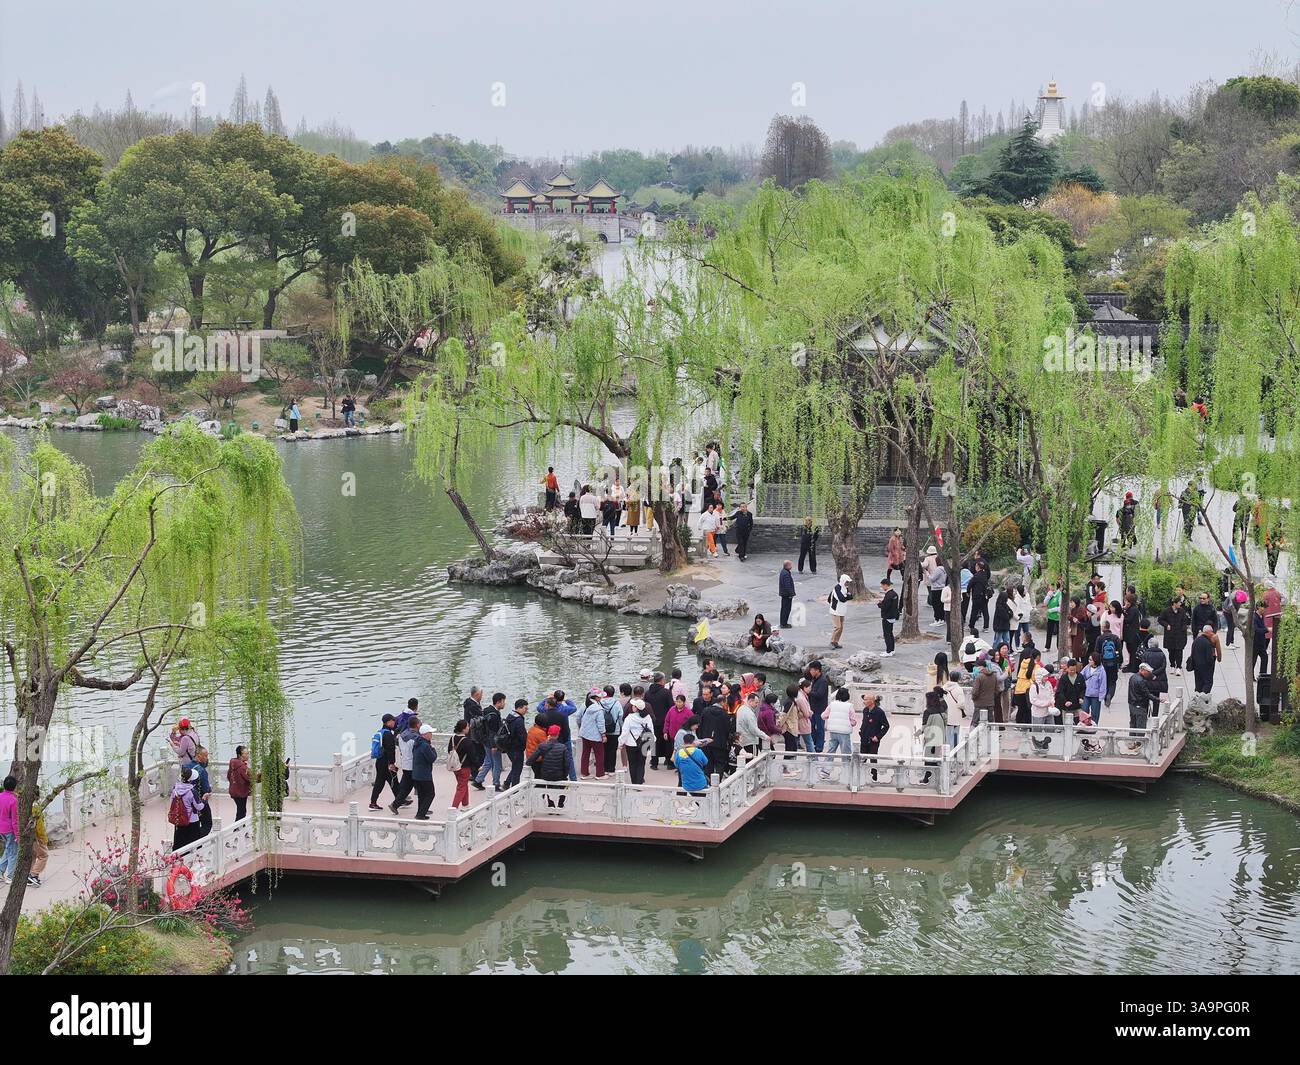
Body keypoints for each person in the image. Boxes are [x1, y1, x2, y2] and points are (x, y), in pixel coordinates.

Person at [529, 725, 574, 808]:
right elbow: (567, 764)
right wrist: (565, 775)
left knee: (548, 786)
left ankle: (551, 804)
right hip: (559, 775)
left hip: (546, 775)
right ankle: (560, 804)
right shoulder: (563, 747)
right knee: (564, 786)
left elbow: (530, 761)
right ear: (558, 734)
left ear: (549, 734)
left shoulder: (542, 746)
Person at [472, 693, 506, 791]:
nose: (504, 704)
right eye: (503, 701)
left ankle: (478, 780)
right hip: (492, 743)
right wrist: (494, 745)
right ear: (499, 702)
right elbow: (493, 732)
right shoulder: (494, 715)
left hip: (485, 741)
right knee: (497, 764)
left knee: (488, 761)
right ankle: (496, 784)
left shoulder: (486, 710)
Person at [576, 689, 612, 778]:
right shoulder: (598, 710)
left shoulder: (586, 706)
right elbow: (601, 724)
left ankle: (584, 773)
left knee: (585, 754)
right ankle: (600, 774)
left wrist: (581, 728)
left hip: (585, 734)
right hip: (595, 736)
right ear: (596, 697)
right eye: (600, 696)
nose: (601, 698)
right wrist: (603, 735)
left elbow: (578, 717)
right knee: (599, 755)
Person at [168, 767, 206, 852]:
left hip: (179, 818)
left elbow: (172, 801)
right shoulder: (192, 791)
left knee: (179, 841)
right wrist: (204, 800)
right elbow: (199, 807)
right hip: (192, 820)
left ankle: (177, 859)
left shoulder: (175, 789)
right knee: (194, 842)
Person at [697, 697, 735, 780]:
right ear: (723, 702)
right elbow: (728, 730)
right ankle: (717, 784)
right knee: (720, 764)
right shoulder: (725, 714)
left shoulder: (705, 711)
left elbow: (700, 726)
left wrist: (701, 740)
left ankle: (708, 783)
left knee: (707, 764)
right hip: (720, 743)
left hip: (706, 742)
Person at [388, 717, 420, 813]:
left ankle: (395, 805)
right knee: (423, 788)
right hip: (413, 765)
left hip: (405, 764)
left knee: (406, 787)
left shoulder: (402, 735)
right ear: (417, 725)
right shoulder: (415, 737)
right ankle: (423, 809)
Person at [820, 687, 858, 768]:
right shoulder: (849, 706)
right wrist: (848, 723)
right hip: (844, 732)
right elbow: (854, 721)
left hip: (833, 731)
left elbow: (823, 716)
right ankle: (847, 770)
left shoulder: (832, 704)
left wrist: (832, 718)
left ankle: (825, 771)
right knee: (846, 752)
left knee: (831, 750)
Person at [619, 699, 654, 783]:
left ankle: (634, 782)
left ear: (636, 708)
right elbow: (651, 731)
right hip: (644, 743)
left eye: (633, 706)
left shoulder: (630, 717)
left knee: (632, 764)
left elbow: (625, 732)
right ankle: (639, 781)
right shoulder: (648, 717)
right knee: (641, 764)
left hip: (631, 743)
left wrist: (621, 743)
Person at [448, 721, 481, 809]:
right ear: (463, 729)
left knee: (463, 784)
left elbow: (449, 751)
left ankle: (465, 804)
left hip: (455, 766)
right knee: (461, 787)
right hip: (464, 767)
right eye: (467, 727)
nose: (468, 728)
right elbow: (472, 755)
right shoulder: (467, 741)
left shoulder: (452, 738)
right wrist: (478, 766)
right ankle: (453, 808)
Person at [858, 694, 890, 780]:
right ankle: (859, 777)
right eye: (864, 699)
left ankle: (874, 778)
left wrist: (878, 737)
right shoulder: (865, 710)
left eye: (866, 700)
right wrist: (861, 731)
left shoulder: (879, 712)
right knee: (862, 758)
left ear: (872, 701)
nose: (864, 701)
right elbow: (864, 722)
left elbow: (886, 726)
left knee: (873, 758)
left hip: (873, 740)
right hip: (864, 738)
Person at [410, 724, 439, 819]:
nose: (431, 735)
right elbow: (432, 758)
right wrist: (433, 749)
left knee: (421, 794)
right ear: (425, 734)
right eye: (430, 733)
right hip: (424, 774)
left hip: (416, 773)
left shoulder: (417, 743)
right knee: (430, 793)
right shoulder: (425, 746)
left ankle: (421, 811)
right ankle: (421, 813)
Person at [184, 748, 214, 838]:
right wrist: (208, 791)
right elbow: (206, 789)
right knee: (207, 824)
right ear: (198, 755)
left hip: (186, 801)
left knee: (192, 824)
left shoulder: (186, 766)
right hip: (199, 800)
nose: (207, 758)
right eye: (205, 756)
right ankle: (196, 840)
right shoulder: (201, 770)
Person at [500, 699, 529, 787]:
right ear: (519, 708)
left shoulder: (510, 716)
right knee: (517, 769)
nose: (526, 710)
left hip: (509, 747)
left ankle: (507, 783)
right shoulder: (519, 720)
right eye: (525, 708)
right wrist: (526, 745)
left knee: (515, 767)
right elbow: (522, 736)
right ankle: (515, 789)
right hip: (516, 748)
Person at [1157, 599, 1190, 674]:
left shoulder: (1182, 611)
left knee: (1179, 650)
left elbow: (1185, 620)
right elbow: (1160, 619)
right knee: (1171, 651)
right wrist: (1166, 625)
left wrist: (1184, 627)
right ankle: (1172, 665)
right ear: (1174, 603)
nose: (1180, 604)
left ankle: (1178, 666)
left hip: (1180, 634)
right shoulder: (1166, 611)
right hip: (1170, 634)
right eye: (1179, 603)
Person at [1029, 667, 1058, 751]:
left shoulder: (1048, 684)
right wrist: (1045, 704)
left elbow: (1052, 694)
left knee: (1051, 729)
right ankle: (1037, 746)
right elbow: (1033, 700)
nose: (1046, 678)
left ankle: (1045, 743)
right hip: (1038, 713)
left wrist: (1052, 701)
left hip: (1049, 711)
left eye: (1047, 676)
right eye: (1045, 676)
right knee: (1037, 731)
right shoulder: (1034, 687)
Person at [1190, 625, 1219, 695]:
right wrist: (1213, 659)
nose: (1212, 634)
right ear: (1208, 632)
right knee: (1208, 683)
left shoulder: (1196, 641)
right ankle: (1203, 697)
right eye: (1212, 632)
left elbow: (1192, 654)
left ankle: (1197, 697)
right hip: (1206, 668)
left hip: (1196, 667)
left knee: (1198, 684)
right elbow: (1209, 658)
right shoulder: (1207, 643)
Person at [806, 662, 829, 752]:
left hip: (820, 709)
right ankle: (814, 744)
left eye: (811, 670)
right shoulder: (814, 679)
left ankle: (819, 746)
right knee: (812, 728)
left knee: (819, 728)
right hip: (813, 708)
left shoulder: (823, 681)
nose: (810, 671)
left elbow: (820, 694)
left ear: (817, 670)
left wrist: (809, 692)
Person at [228, 745, 253, 822]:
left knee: (241, 811)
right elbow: (250, 778)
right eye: (246, 753)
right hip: (241, 792)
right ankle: (237, 830)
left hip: (234, 791)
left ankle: (240, 829)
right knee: (241, 812)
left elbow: (229, 776)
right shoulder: (242, 767)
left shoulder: (233, 764)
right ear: (240, 755)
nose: (248, 755)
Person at [828, 574, 853, 649]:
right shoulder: (837, 588)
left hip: (842, 610)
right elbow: (842, 598)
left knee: (841, 627)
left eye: (848, 582)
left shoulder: (845, 588)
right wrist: (847, 596)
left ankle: (836, 642)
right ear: (843, 581)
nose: (848, 583)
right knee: (838, 627)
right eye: (847, 582)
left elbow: (851, 596)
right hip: (835, 610)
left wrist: (847, 596)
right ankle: (832, 642)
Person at [0, 776, 17, 884]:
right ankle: (10, 876)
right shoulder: (13, 800)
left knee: (8, 849)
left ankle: (0, 871)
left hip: (1, 829)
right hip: (9, 830)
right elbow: (15, 820)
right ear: (14, 787)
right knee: (13, 853)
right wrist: (18, 835)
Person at [971, 658, 997, 726]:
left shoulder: (979, 677)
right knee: (990, 723)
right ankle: (992, 736)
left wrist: (974, 698)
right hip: (990, 702)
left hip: (979, 703)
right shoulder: (994, 676)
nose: (976, 668)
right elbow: (997, 689)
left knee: (975, 723)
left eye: (977, 666)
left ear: (981, 667)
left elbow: (975, 691)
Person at [737, 693, 763, 759]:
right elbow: (754, 730)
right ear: (750, 701)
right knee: (752, 763)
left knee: (745, 762)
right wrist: (765, 737)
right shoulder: (750, 713)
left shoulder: (740, 709)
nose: (757, 705)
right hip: (751, 741)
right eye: (756, 702)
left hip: (742, 740)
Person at [878, 577, 899, 656]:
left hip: (887, 617)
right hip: (893, 616)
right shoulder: (894, 594)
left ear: (886, 585)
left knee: (887, 634)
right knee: (890, 633)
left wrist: (880, 604)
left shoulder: (888, 595)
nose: (882, 588)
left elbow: (885, 606)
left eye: (882, 586)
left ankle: (888, 651)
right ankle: (892, 649)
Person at [1043, 582, 1062, 652]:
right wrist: (1048, 596)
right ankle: (1047, 647)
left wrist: (1051, 610)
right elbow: (1045, 603)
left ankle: (1058, 648)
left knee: (1059, 633)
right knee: (1049, 632)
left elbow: (1060, 608)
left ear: (1055, 586)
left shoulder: (1059, 595)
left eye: (1051, 585)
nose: (1049, 587)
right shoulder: (1050, 594)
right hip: (1050, 617)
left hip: (1058, 617)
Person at [778, 560, 796, 628]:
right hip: (786, 594)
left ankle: (783, 622)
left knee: (784, 608)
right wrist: (791, 593)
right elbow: (787, 585)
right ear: (787, 566)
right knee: (786, 609)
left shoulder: (784, 572)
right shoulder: (786, 574)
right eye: (791, 565)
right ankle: (784, 623)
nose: (792, 566)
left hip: (784, 594)